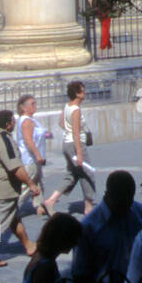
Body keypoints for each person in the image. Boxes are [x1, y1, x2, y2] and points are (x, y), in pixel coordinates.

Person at [0, 108, 40, 279]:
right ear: (8, 124)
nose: (15, 123)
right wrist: (31, 184)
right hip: (3, 190)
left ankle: (28, 246)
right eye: (13, 121)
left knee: (14, 218)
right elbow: (15, 167)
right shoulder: (5, 140)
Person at [45, 80, 96, 215]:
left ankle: (51, 200)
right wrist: (79, 153)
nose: (84, 92)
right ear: (77, 94)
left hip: (66, 144)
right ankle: (88, 205)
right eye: (82, 90)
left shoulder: (67, 106)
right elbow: (75, 132)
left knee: (72, 175)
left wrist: (68, 130)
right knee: (87, 173)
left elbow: (61, 122)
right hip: (75, 144)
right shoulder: (76, 110)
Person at [15, 94, 50, 219]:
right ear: (23, 108)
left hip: (34, 158)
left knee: (37, 181)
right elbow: (28, 140)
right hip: (29, 159)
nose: (35, 106)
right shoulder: (27, 121)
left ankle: (39, 205)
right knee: (27, 184)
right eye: (32, 104)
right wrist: (37, 154)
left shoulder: (30, 120)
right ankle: (12, 209)